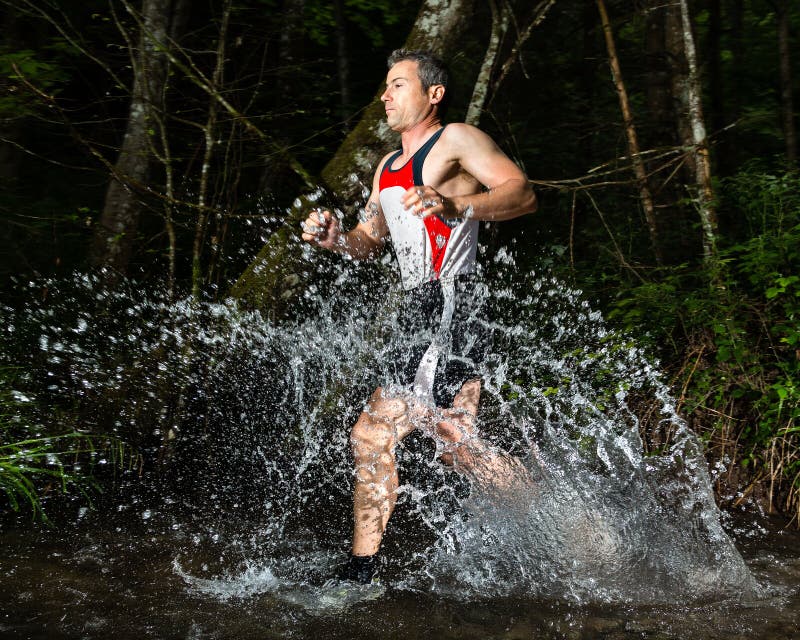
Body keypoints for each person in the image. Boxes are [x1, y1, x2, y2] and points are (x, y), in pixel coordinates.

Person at [300, 49, 537, 584]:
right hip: (420, 306)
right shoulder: (386, 167)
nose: (385, 95)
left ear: (433, 94)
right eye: (385, 86)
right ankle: (566, 527)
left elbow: (522, 194)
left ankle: (363, 570)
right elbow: (370, 240)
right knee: (451, 443)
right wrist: (338, 240)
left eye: (398, 85)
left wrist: (458, 206)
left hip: (451, 299)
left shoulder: (454, 138)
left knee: (382, 434)